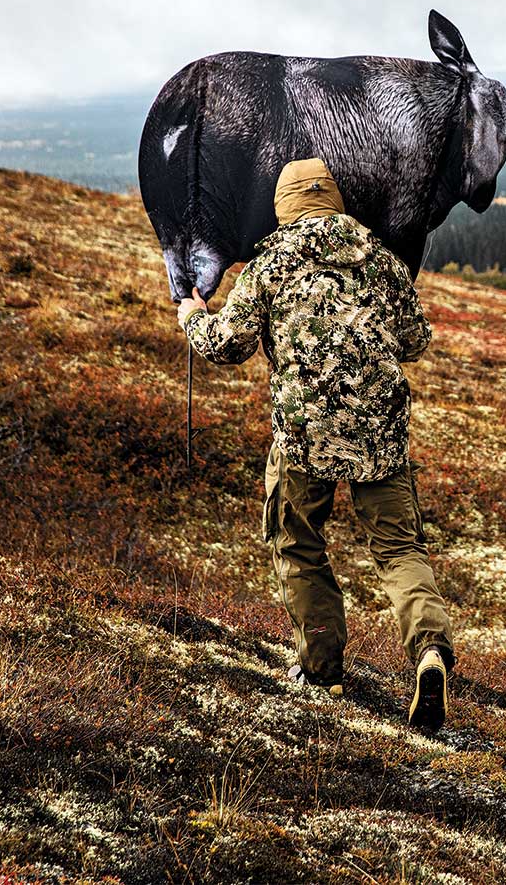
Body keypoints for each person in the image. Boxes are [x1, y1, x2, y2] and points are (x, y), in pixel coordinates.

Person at [175, 158, 454, 732]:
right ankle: (429, 651)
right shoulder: (381, 260)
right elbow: (415, 341)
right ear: (334, 201)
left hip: (304, 435)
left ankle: (321, 667)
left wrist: (191, 317)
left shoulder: (270, 265)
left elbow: (227, 347)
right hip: (381, 431)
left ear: (284, 208)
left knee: (297, 543)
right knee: (400, 549)